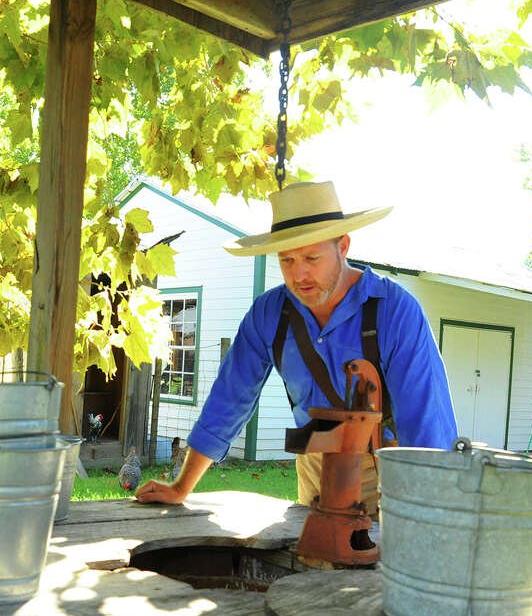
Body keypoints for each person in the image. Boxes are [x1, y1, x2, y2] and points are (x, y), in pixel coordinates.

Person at [134, 180, 457, 507]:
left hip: (392, 471)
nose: (298, 274)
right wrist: (181, 487)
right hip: (315, 467)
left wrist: (427, 515)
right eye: (286, 260)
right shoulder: (269, 314)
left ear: (343, 246)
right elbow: (229, 399)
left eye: (311, 258)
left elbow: (426, 422)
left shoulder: (395, 311)